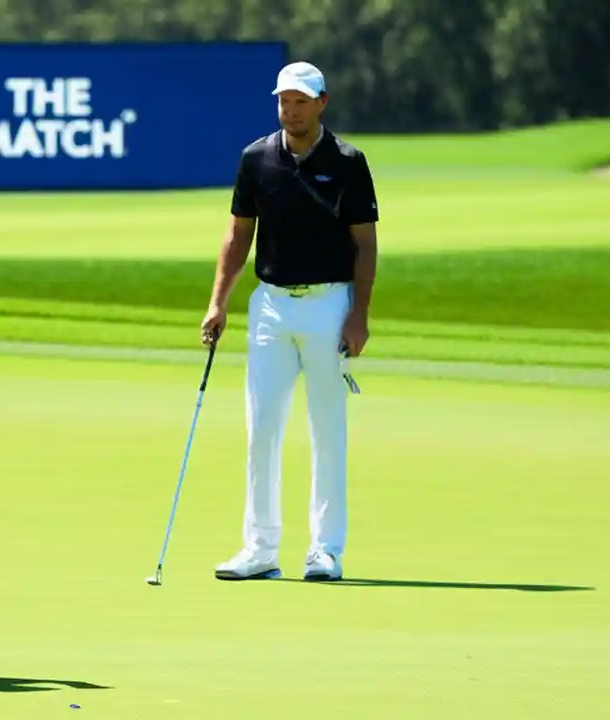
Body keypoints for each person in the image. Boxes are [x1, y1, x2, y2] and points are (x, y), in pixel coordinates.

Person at [201, 61, 379, 583]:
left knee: (327, 431)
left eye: (300, 101)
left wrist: (359, 315)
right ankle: (259, 549)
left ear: (322, 102)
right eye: (283, 101)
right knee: (262, 430)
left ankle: (325, 550)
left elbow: (365, 244)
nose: (290, 110)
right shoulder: (256, 158)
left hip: (329, 305)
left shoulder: (348, 162)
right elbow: (238, 237)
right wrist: (219, 302)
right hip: (271, 306)